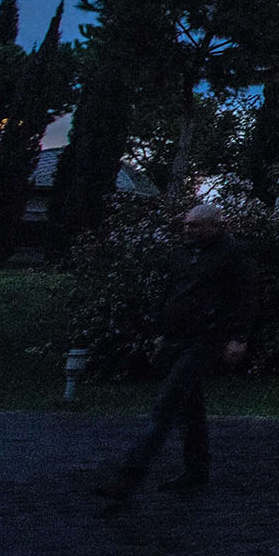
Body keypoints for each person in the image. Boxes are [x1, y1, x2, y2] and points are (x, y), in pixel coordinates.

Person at [96, 203, 256, 499]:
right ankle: (196, 469)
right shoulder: (184, 254)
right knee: (190, 406)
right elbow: (171, 291)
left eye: (195, 226)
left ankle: (129, 476)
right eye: (186, 225)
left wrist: (238, 337)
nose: (188, 230)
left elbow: (245, 297)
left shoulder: (233, 254)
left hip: (205, 339)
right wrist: (160, 332)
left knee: (167, 404)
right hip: (176, 338)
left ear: (214, 227)